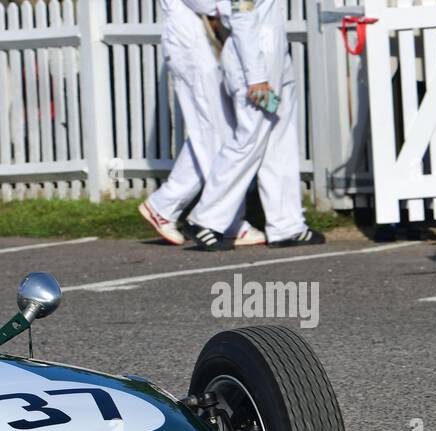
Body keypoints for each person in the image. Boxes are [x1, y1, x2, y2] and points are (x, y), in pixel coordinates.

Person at [186, 0, 323, 250]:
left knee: (278, 144)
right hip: (253, 63)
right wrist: (256, 76)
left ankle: (286, 225)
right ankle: (205, 218)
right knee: (248, 142)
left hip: (274, 58)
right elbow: (241, 16)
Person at [137, 0, 262, 247]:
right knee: (213, 132)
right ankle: (227, 221)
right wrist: (236, 10)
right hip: (190, 42)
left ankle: (165, 204)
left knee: (213, 132)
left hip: (197, 41)